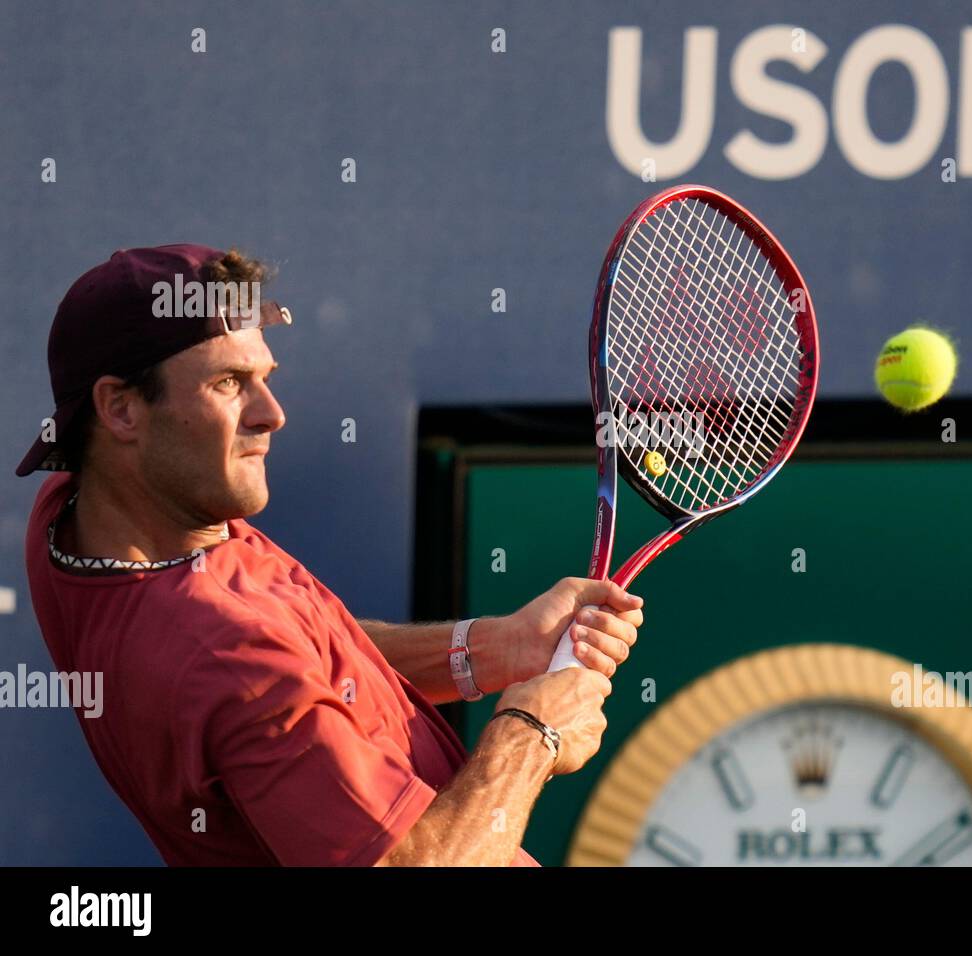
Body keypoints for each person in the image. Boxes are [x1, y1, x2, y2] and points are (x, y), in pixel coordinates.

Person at [17, 244, 643, 866]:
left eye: (264, 378)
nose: (271, 415)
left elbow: (310, 658)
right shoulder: (230, 658)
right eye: (228, 383)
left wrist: (491, 648)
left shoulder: (80, 516)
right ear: (119, 408)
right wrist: (530, 732)